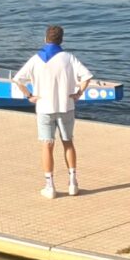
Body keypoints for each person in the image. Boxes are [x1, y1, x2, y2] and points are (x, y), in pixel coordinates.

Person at [11, 25, 96, 199]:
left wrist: (29, 95)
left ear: (45, 39)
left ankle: (49, 186)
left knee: (47, 145)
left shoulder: (36, 59)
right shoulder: (69, 58)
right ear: (61, 39)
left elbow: (18, 79)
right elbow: (87, 77)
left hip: (44, 107)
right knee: (68, 143)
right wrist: (79, 93)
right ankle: (73, 182)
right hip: (66, 106)